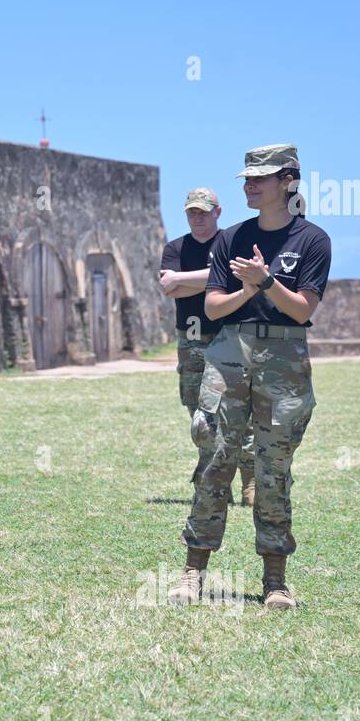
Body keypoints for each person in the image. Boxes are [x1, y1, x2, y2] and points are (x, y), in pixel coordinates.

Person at [167, 144, 330, 610]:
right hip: (229, 350)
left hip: (285, 356)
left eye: (261, 177)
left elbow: (302, 309)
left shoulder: (312, 240)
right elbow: (214, 306)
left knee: (273, 468)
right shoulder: (231, 238)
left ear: (288, 180)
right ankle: (192, 572)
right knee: (215, 458)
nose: (250, 185)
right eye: (247, 178)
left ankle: (275, 580)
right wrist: (246, 288)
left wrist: (265, 281)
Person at [160, 187, 255, 505]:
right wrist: (208, 280)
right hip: (192, 341)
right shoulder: (175, 248)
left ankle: (250, 480)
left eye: (203, 211)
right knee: (199, 413)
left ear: (218, 211)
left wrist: (184, 279)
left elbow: (229, 278)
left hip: (230, 336)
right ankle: (216, 480)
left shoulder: (230, 242)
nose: (197, 218)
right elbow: (169, 290)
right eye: (192, 212)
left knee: (241, 410)